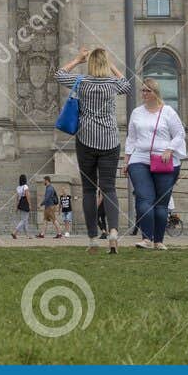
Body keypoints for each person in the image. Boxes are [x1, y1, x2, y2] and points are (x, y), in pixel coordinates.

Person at [55, 47, 131, 254]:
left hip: (86, 141)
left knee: (89, 190)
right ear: (105, 64)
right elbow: (127, 84)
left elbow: (59, 74)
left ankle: (92, 239)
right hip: (110, 141)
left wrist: (77, 59)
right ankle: (113, 232)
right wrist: (112, 66)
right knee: (109, 189)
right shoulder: (112, 84)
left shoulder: (82, 82)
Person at [123, 78, 186, 249]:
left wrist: (170, 149)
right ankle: (146, 238)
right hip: (140, 159)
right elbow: (131, 137)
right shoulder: (136, 112)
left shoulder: (168, 112)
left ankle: (158, 241)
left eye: (147, 91)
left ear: (155, 93)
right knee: (144, 198)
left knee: (161, 203)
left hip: (164, 160)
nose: (144, 94)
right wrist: (127, 159)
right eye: (142, 90)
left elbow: (179, 134)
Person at [12, 174, 32, 238]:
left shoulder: (18, 187)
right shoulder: (25, 186)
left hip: (21, 203)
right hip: (25, 202)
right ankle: (15, 232)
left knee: (25, 220)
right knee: (24, 220)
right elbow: (27, 196)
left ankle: (27, 235)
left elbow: (17, 198)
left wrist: (17, 207)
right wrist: (29, 204)